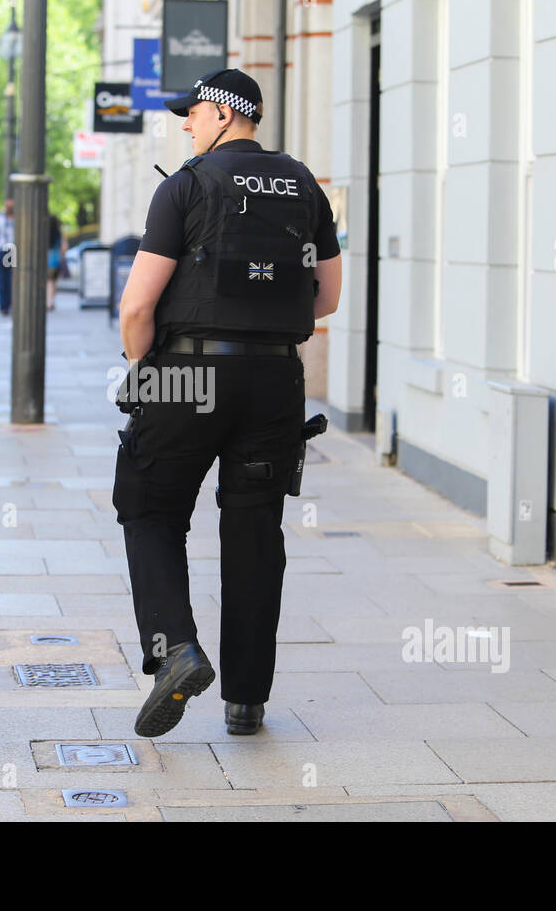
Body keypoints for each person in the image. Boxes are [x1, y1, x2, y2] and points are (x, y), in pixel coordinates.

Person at [113, 69, 342, 738]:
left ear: (220, 114)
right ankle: (247, 701)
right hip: (275, 379)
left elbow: (137, 306)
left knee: (149, 506)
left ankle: (176, 650)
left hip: (186, 372)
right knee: (253, 530)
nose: (185, 124)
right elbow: (324, 299)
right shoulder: (304, 185)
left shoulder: (187, 184)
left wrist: (142, 369)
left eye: (192, 113)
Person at [46, 212, 68, 311]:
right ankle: (51, 301)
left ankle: (49, 301)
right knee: (53, 281)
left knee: (48, 281)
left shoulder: (45, 234)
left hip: (46, 259)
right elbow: (64, 248)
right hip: (56, 259)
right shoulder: (59, 234)